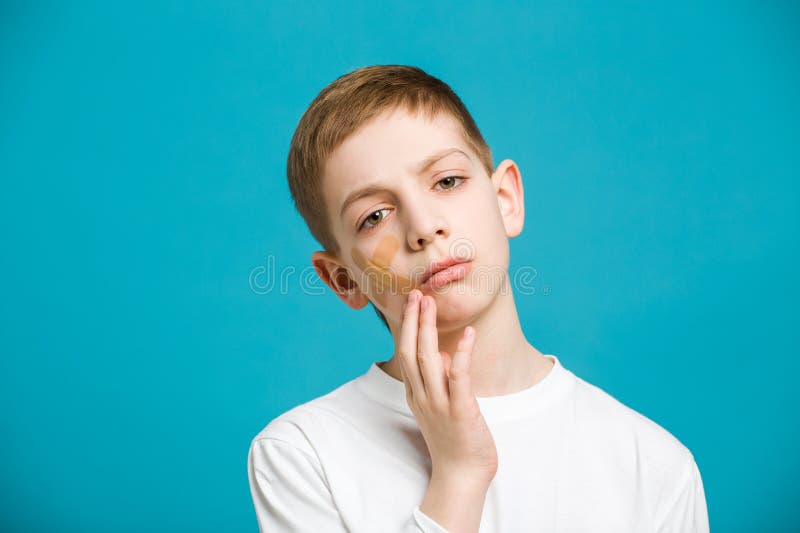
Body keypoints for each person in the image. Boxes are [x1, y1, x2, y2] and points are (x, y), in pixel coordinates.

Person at [247, 65, 709, 533]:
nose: (424, 227)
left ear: (505, 198)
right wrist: (458, 478)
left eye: (446, 181)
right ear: (345, 279)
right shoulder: (303, 455)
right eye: (376, 215)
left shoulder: (653, 467)